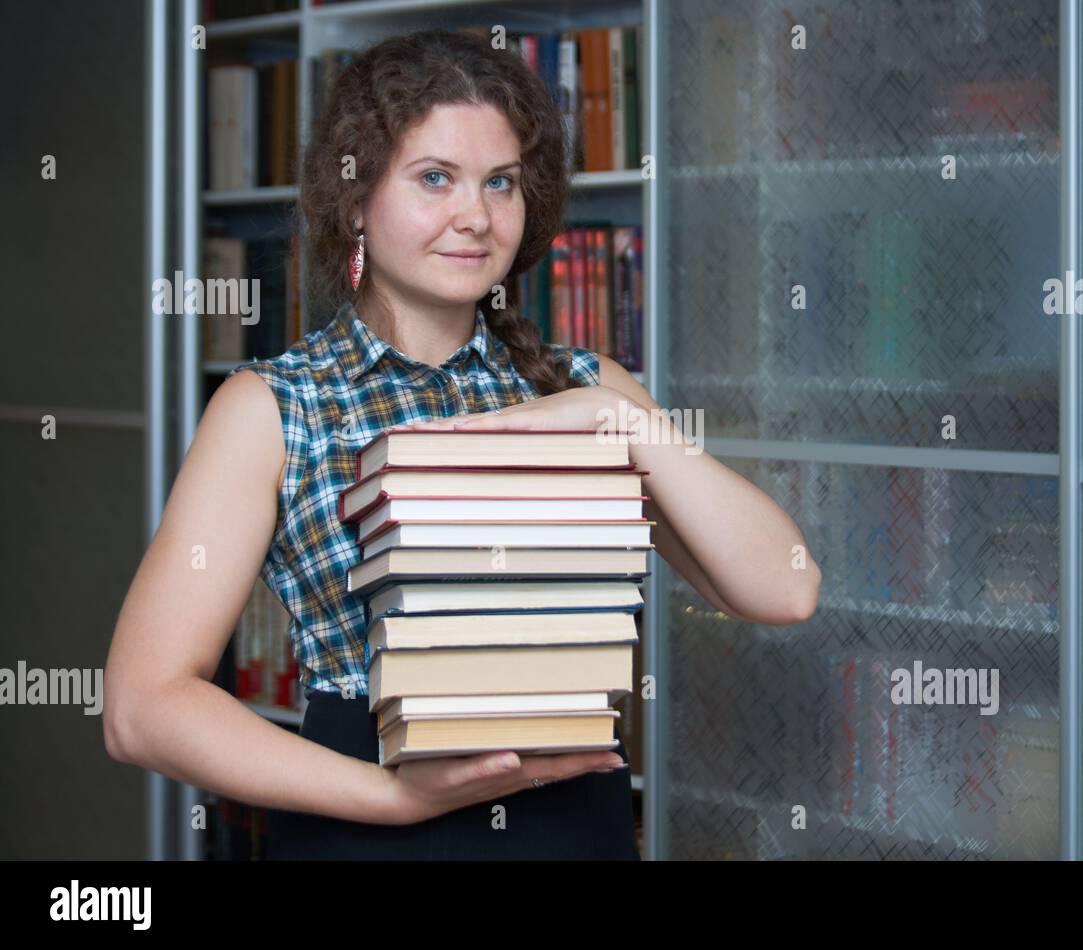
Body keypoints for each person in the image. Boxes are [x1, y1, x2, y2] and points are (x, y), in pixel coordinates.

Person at [104, 28, 821, 860]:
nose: (476, 217)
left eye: (501, 183)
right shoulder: (273, 406)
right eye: (435, 178)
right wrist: (393, 799)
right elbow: (140, 706)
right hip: (363, 823)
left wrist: (630, 428)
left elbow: (786, 589)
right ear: (355, 198)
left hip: (572, 826)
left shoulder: (586, 388)